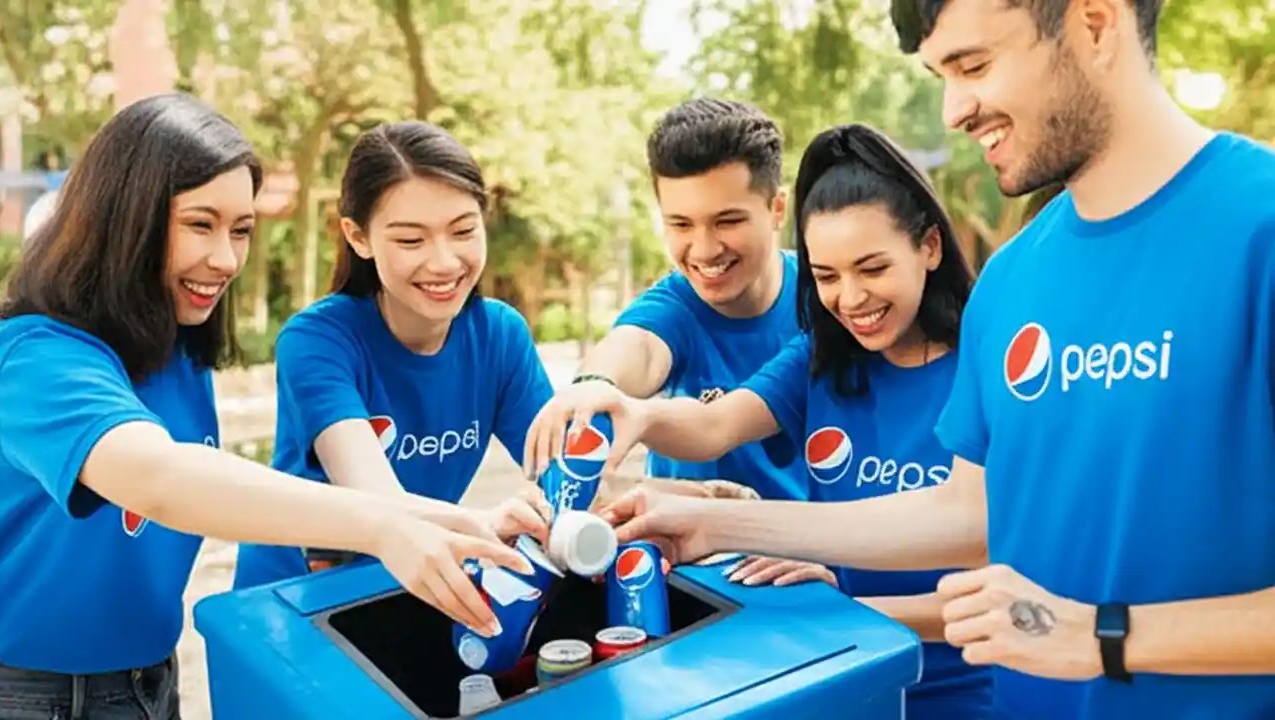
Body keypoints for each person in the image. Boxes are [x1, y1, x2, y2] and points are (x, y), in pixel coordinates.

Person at [585, 1, 1275, 718]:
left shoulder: (1257, 228)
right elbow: (969, 513)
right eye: (941, 74)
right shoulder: (1012, 284)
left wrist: (1105, 636)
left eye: (974, 65)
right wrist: (717, 525)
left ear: (1095, 23)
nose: (953, 110)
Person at [0, 94, 541, 720]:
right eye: (200, 225)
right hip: (31, 695)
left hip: (148, 681)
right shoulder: (38, 358)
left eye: (242, 230)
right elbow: (159, 479)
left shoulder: (177, 349)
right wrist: (386, 526)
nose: (226, 259)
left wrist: (462, 525)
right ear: (126, 217)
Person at [528, 123, 990, 717]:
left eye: (872, 268)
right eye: (827, 277)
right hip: (840, 669)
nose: (850, 298)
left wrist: (839, 604)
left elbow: (1004, 592)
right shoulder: (820, 354)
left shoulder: (984, 367)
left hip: (959, 690)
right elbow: (714, 425)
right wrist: (632, 411)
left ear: (928, 247)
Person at [234, 121, 556, 590]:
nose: (444, 262)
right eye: (411, 240)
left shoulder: (500, 336)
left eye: (463, 230)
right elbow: (375, 500)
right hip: (293, 604)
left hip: (416, 585)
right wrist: (485, 523)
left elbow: (566, 470)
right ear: (358, 237)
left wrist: (690, 496)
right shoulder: (317, 341)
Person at [525, 97, 807, 504]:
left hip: (811, 554)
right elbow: (637, 346)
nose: (705, 249)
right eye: (681, 224)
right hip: (688, 556)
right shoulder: (672, 307)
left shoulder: (828, 299)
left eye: (727, 221)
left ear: (777, 208)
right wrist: (594, 385)